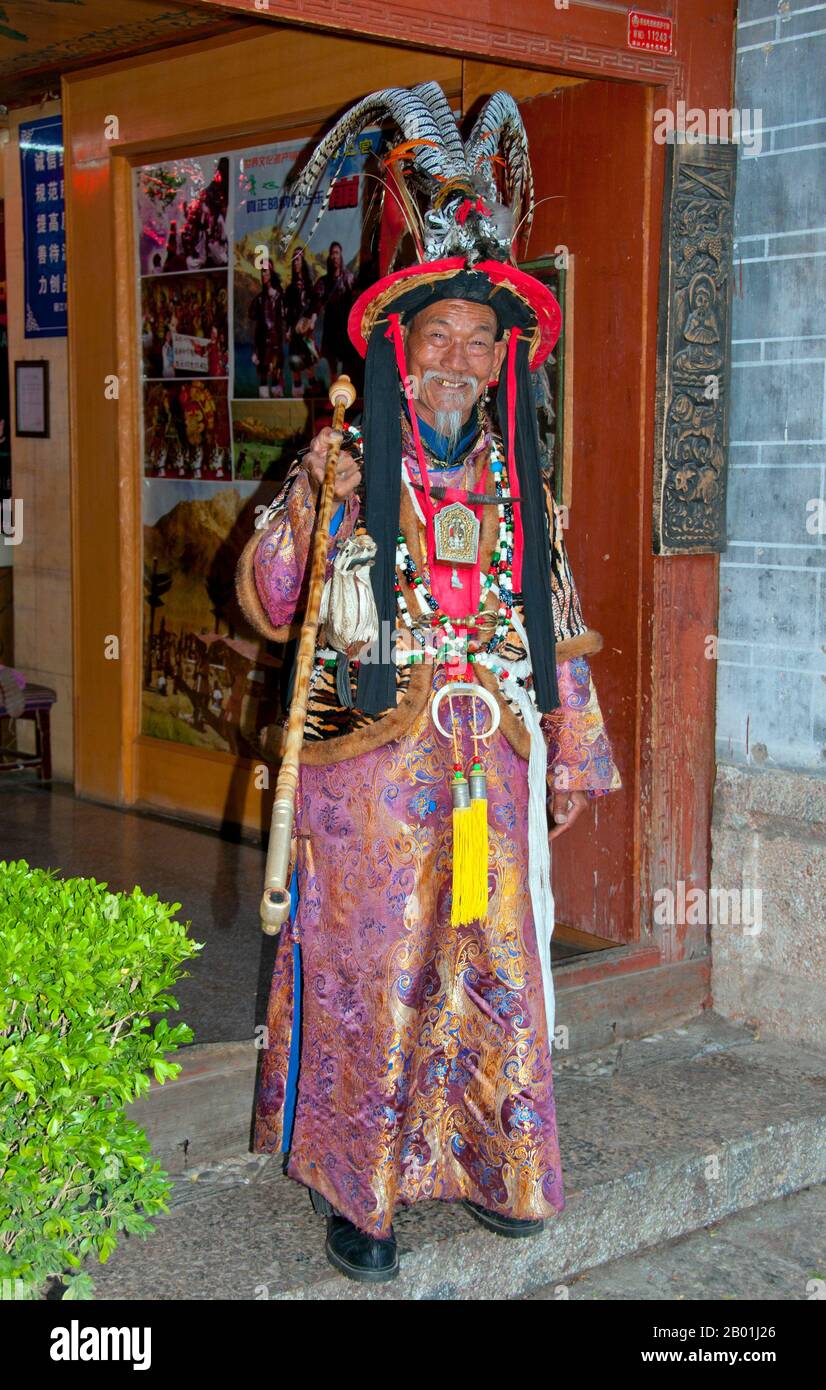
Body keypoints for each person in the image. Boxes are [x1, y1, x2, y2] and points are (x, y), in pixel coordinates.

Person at [236, 82, 621, 1284]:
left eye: (478, 342)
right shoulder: (345, 466)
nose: (456, 360)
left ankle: (495, 1168)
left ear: (504, 359)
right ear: (401, 348)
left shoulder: (523, 493)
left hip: (486, 770)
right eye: (437, 338)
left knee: (494, 970)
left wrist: (572, 746)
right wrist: (309, 497)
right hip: (366, 773)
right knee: (376, 981)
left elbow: (554, 625)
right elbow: (267, 599)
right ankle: (366, 1194)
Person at [283, 247, 320, 397]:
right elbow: (287, 314)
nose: (295, 262)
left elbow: (316, 306)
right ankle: (297, 398)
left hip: (307, 334)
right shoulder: (290, 289)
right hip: (294, 334)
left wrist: (312, 321)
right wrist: (288, 330)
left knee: (310, 366)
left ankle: (314, 400)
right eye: (294, 259)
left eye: (298, 258)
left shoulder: (310, 287)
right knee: (295, 367)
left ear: (303, 261)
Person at [317, 240, 354, 385]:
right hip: (330, 326)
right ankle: (333, 394)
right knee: (331, 364)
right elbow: (317, 301)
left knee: (345, 365)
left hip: (344, 327)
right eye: (332, 253)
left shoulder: (349, 278)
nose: (334, 256)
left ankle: (344, 394)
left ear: (341, 255)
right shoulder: (324, 281)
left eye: (337, 253)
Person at [248, 259, 285, 398]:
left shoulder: (279, 296)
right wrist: (255, 350)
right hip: (263, 346)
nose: (263, 274)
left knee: (276, 381)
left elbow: (283, 319)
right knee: (263, 382)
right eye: (262, 272)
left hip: (276, 345)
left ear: (271, 273)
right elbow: (255, 324)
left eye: (266, 271)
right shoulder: (258, 300)